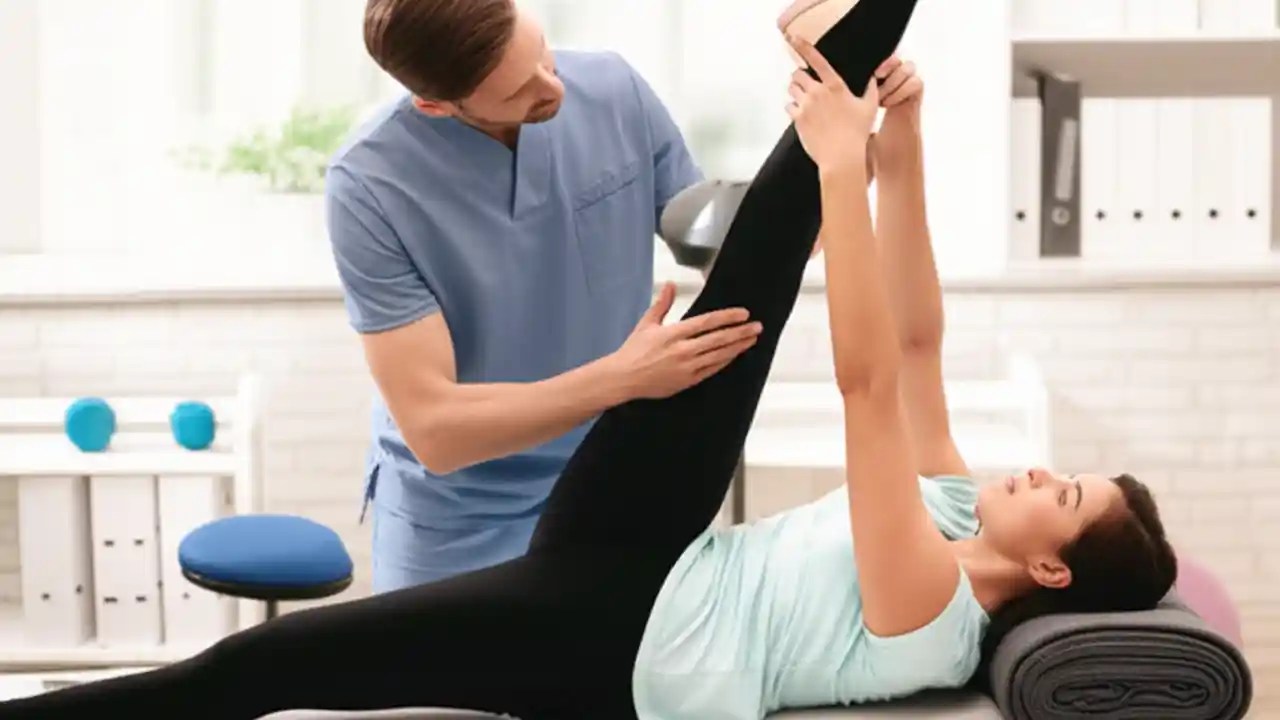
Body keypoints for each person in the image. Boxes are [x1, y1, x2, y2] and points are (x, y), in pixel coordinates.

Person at [2, 1, 1177, 718]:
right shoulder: (958, 505)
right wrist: (897, 143)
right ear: (436, 105)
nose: (1035, 473)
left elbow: (868, 388)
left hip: (623, 634)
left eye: (1061, 493)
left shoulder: (928, 602)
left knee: (266, 669)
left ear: (1053, 574)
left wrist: (840, 166)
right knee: (745, 292)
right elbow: (915, 348)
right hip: (643, 536)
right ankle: (854, 44)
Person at [332, 0, 761, 591]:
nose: (551, 87)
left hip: (614, 482)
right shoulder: (369, 184)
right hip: (458, 521)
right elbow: (435, 428)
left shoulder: (614, 93)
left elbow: (723, 243)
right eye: (515, 93)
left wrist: (833, 166)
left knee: (615, 681)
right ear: (435, 106)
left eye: (539, 52)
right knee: (447, 684)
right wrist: (623, 378)